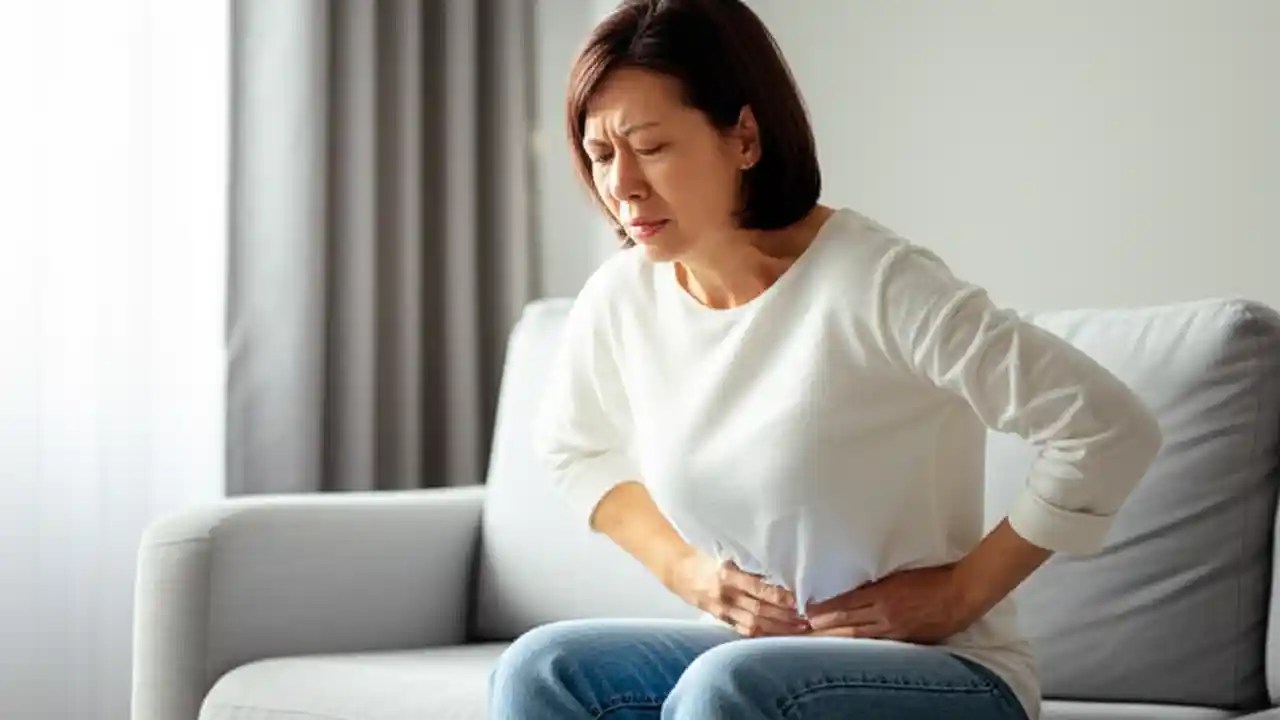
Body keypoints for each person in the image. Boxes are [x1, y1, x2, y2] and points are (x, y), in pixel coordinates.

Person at [488, 1, 1163, 718]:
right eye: (600, 155)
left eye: (651, 147)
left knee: (728, 688)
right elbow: (572, 449)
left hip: (944, 671)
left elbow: (1108, 427)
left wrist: (960, 593)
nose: (621, 186)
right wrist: (689, 572)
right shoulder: (624, 298)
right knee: (544, 668)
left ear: (743, 137)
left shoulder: (877, 282)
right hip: (750, 658)